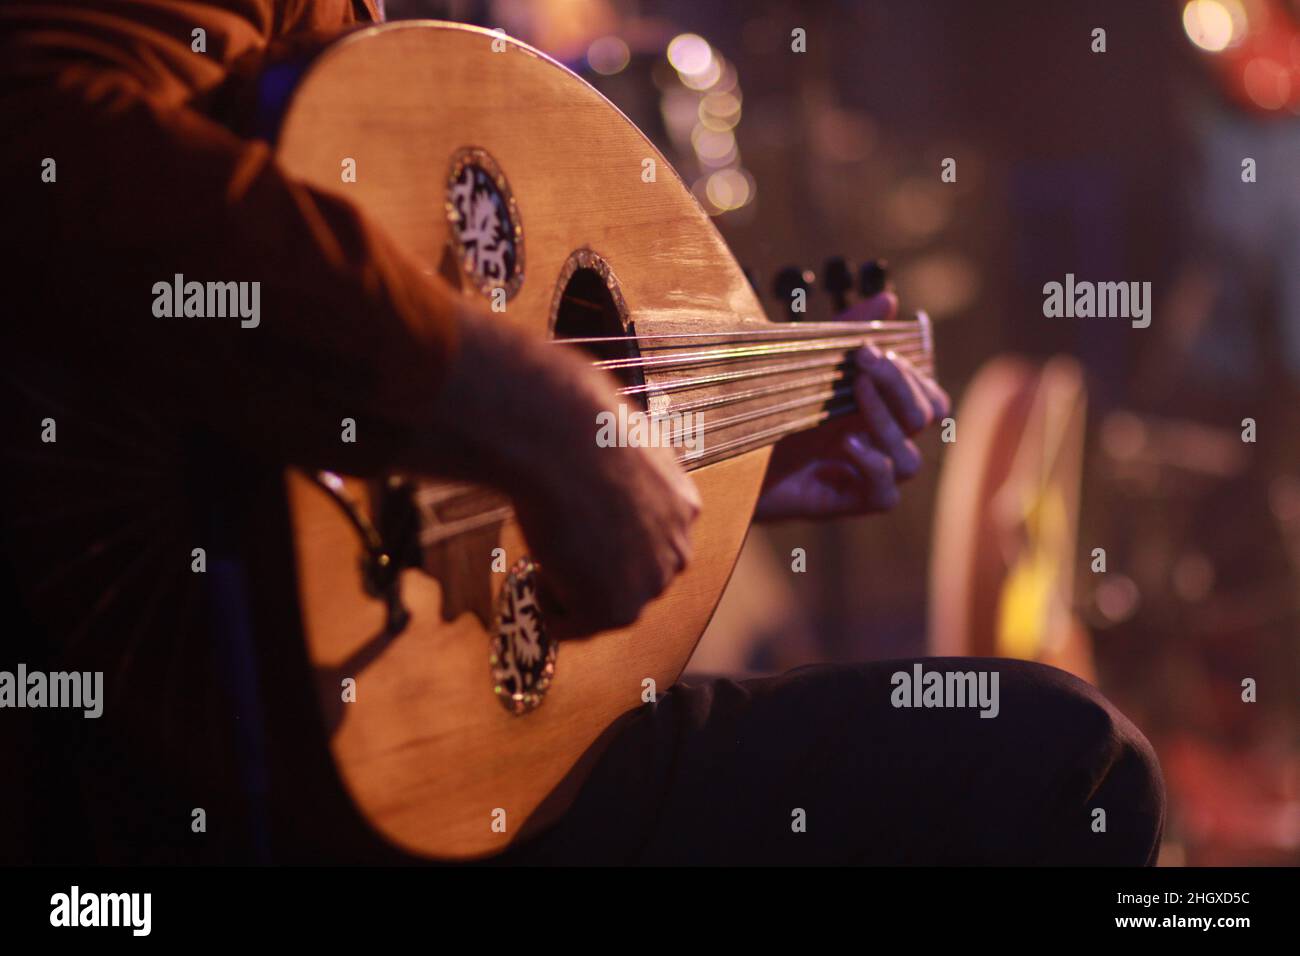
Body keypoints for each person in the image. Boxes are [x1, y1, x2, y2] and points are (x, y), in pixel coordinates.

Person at [0, 0, 1163, 865]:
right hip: (191, 763)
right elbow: (45, 138)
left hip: (422, 758)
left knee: (1056, 754)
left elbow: (495, 500)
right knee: (1063, 770)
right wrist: (520, 403)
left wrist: (735, 459)